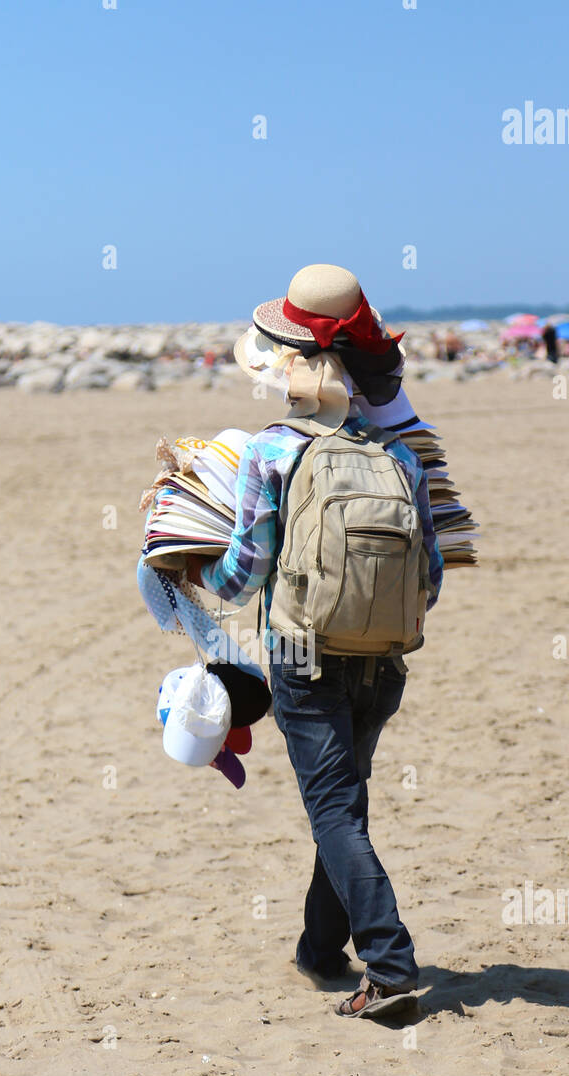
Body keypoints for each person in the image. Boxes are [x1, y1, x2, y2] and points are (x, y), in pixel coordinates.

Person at [184, 264, 444, 1020]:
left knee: (333, 811)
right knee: (343, 805)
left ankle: (390, 967)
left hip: (304, 655)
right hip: (384, 659)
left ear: (293, 363)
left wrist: (193, 568)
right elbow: (429, 577)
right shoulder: (400, 456)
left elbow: (243, 575)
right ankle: (319, 952)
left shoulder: (274, 450)